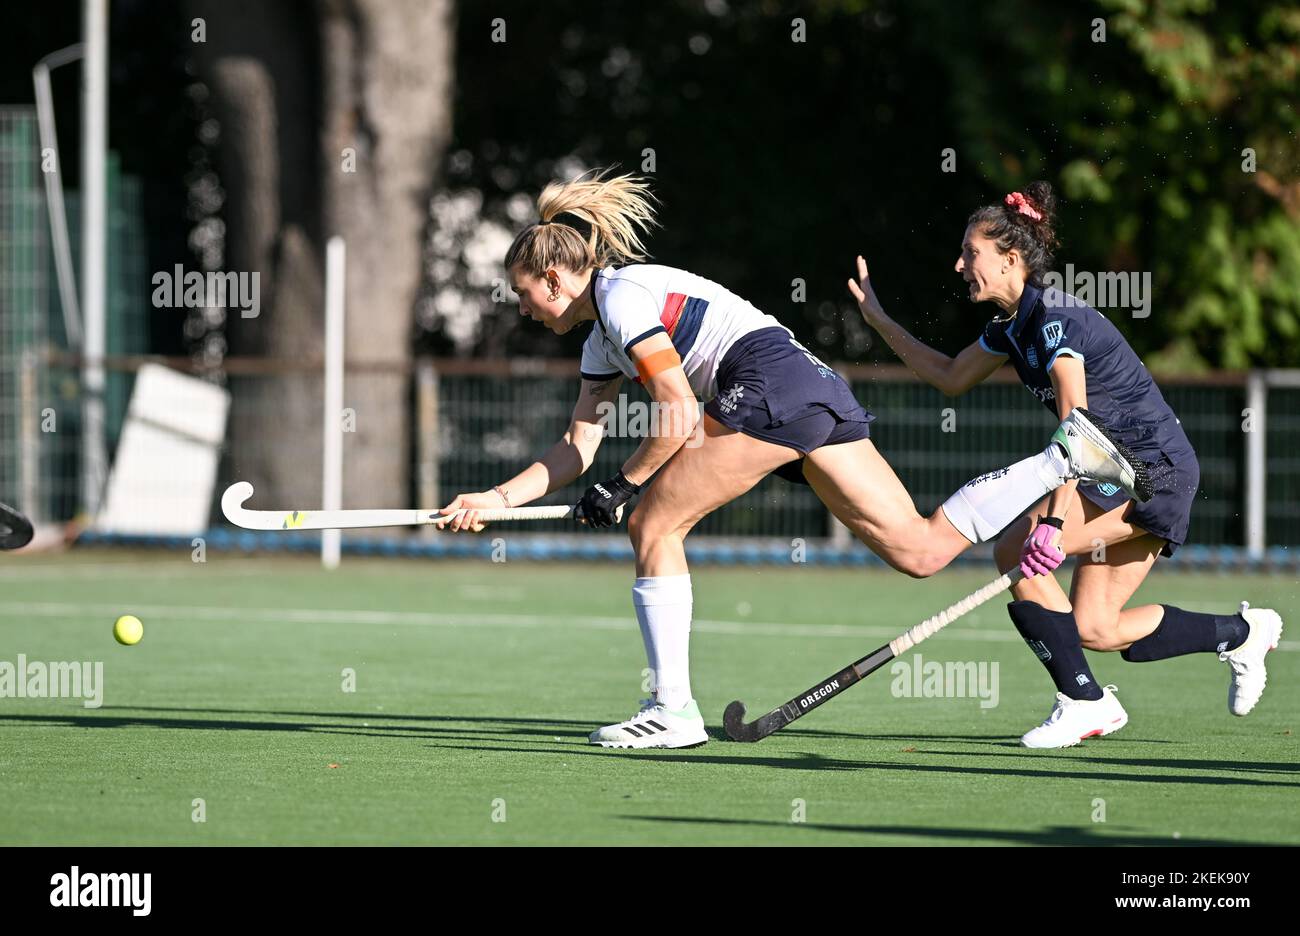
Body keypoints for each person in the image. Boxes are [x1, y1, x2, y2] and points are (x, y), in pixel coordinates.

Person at [440, 169, 1146, 749]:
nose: (524, 309)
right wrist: (495, 500)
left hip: (768, 381)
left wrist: (623, 486)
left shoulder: (623, 298)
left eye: (524, 294)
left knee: (653, 524)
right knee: (920, 549)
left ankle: (673, 710)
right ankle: (1060, 463)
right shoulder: (602, 341)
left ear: (557, 278)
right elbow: (573, 449)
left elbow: (680, 411)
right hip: (806, 384)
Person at [847, 181, 1283, 748]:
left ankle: (1083, 701)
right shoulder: (1011, 326)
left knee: (1013, 548)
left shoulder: (1055, 319)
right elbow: (951, 376)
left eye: (970, 253)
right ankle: (1242, 633)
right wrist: (881, 324)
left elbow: (1076, 426)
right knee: (1093, 627)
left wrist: (1051, 524)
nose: (959, 265)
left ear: (1010, 258)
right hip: (1116, 472)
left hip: (1149, 471)